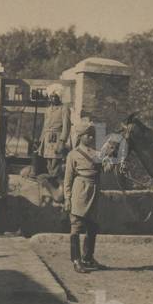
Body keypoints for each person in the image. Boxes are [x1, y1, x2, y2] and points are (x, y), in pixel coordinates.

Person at [62, 120, 107, 273]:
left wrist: (111, 160)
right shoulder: (73, 155)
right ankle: (76, 260)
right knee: (76, 226)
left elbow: (105, 169)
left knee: (92, 226)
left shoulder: (97, 154)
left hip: (94, 190)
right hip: (80, 191)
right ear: (80, 137)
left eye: (92, 135)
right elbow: (67, 180)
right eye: (87, 135)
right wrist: (67, 198)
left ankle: (88, 258)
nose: (91, 138)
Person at [38, 84, 71, 179]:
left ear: (59, 97)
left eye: (55, 97)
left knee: (56, 162)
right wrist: (41, 140)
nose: (53, 99)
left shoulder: (64, 109)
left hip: (57, 138)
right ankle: (50, 183)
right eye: (51, 97)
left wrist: (62, 141)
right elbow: (45, 126)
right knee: (48, 162)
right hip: (47, 139)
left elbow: (66, 126)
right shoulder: (48, 110)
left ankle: (56, 184)